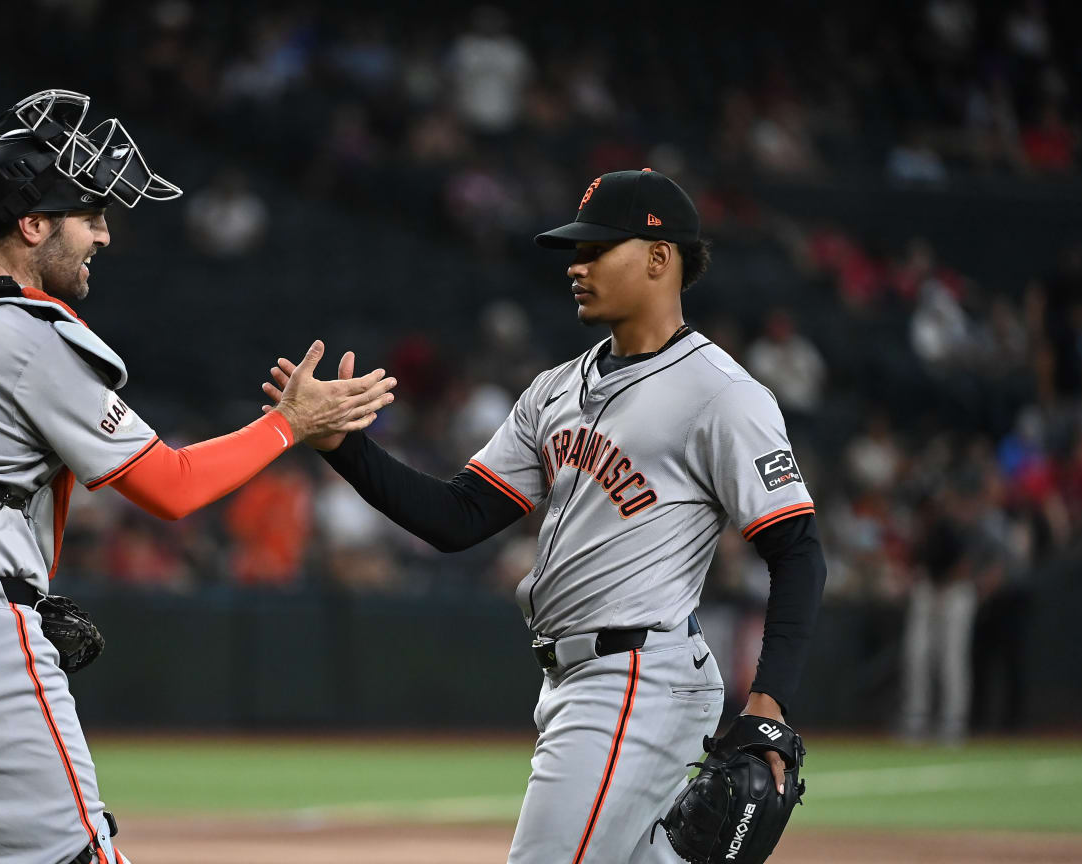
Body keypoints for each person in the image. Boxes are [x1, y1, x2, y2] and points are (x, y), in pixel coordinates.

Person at [0, 89, 394, 864]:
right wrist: (290, 424)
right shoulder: (33, 336)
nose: (105, 236)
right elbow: (173, 487)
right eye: (91, 216)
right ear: (33, 224)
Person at [265, 169, 826, 863]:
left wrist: (768, 702)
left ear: (660, 258)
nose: (577, 266)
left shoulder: (722, 396)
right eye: (575, 252)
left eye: (597, 250)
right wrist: (343, 446)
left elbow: (797, 551)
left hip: (636, 679)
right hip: (573, 680)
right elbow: (458, 517)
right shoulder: (554, 389)